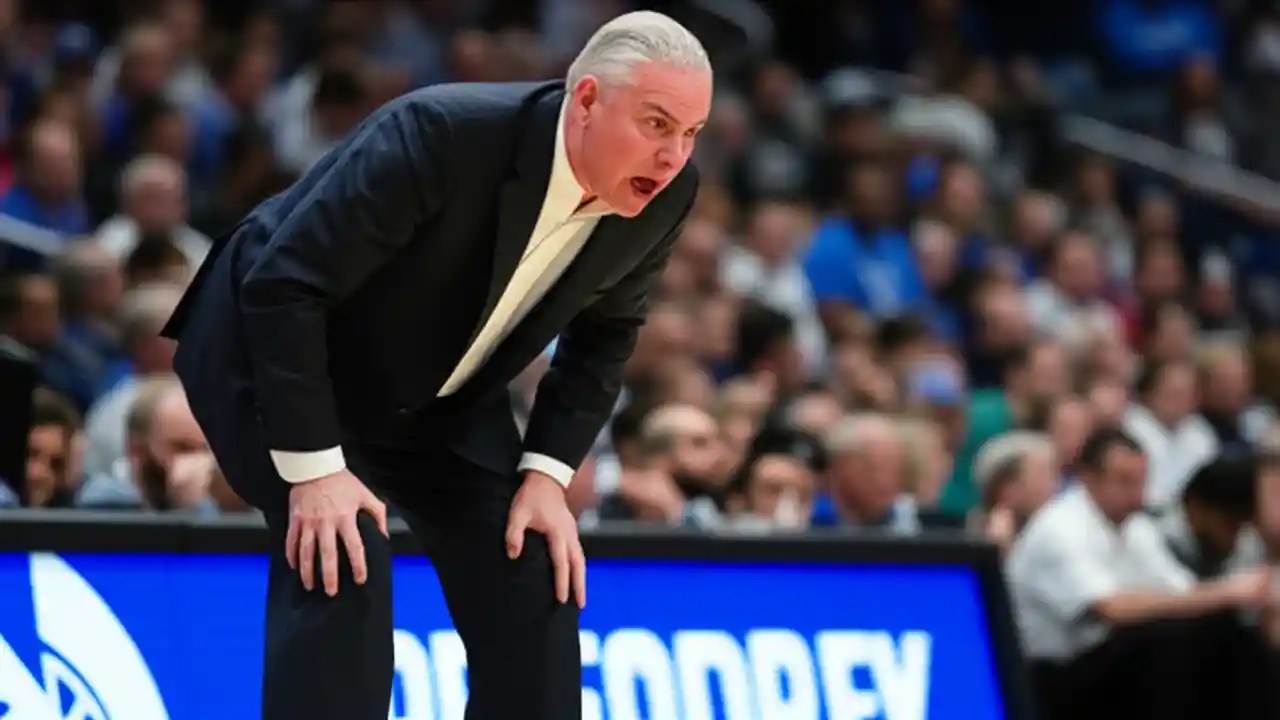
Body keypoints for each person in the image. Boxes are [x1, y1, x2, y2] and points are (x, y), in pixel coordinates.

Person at [161, 11, 710, 720]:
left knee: (533, 567)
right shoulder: (443, 133)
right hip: (277, 349)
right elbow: (285, 284)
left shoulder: (667, 196)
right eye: (657, 123)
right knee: (341, 552)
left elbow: (607, 334)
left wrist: (546, 477)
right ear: (586, 100)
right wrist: (318, 472)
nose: (672, 156)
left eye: (691, 133)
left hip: (431, 385)